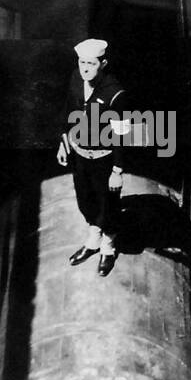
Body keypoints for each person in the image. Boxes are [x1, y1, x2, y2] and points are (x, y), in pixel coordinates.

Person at [57, 38, 130, 277]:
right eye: (82, 62)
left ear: (103, 63)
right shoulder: (76, 79)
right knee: (85, 200)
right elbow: (68, 112)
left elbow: (122, 135)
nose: (85, 68)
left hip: (104, 160)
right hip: (80, 156)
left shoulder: (115, 94)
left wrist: (117, 171)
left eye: (91, 63)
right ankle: (93, 240)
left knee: (107, 206)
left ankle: (107, 248)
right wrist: (63, 142)